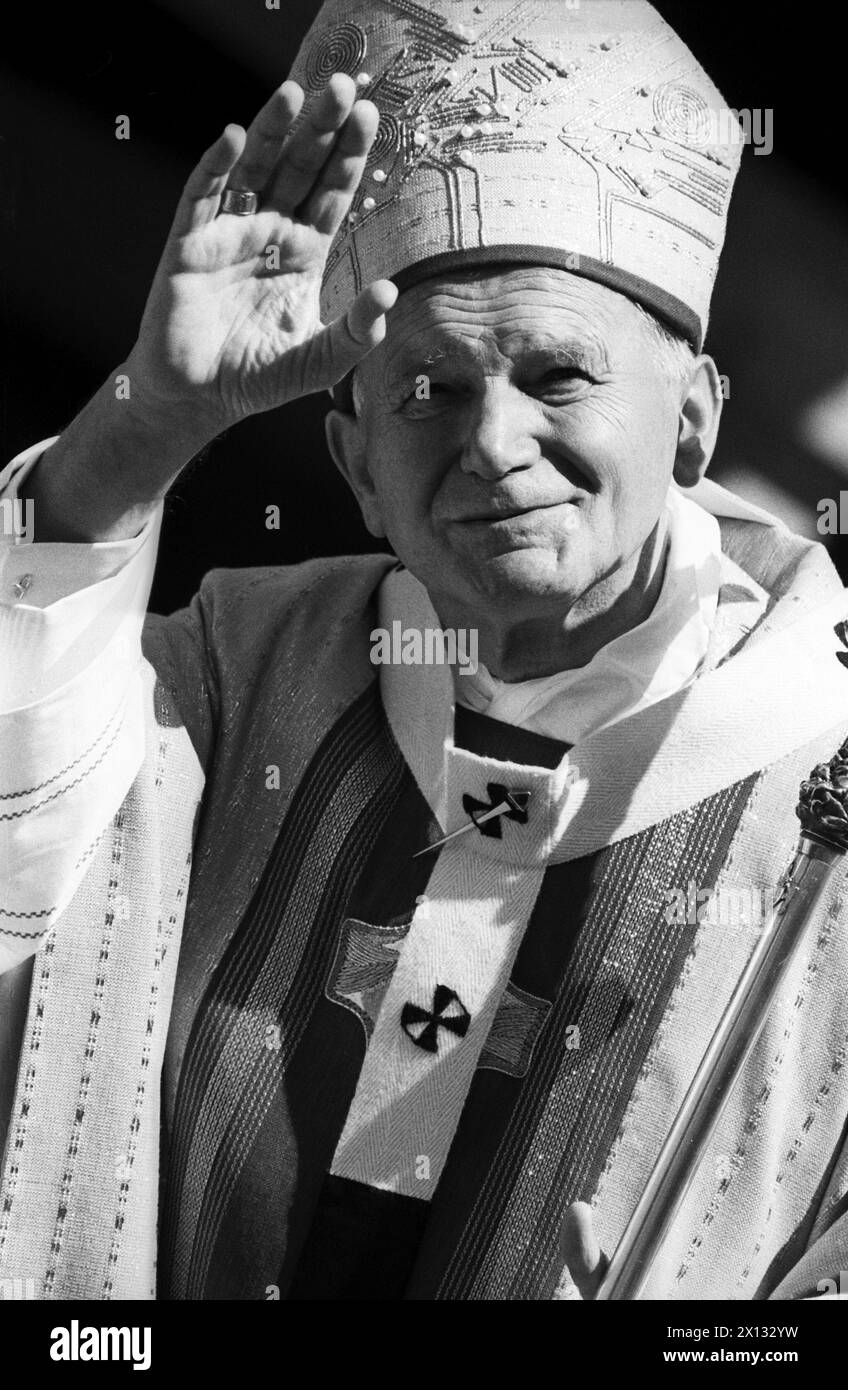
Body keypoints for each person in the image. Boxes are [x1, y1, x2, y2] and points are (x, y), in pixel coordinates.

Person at [1, 0, 847, 1301]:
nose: (493, 442)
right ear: (355, 468)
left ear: (691, 423)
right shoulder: (238, 673)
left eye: (558, 374)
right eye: (427, 390)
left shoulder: (826, 803)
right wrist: (149, 417)